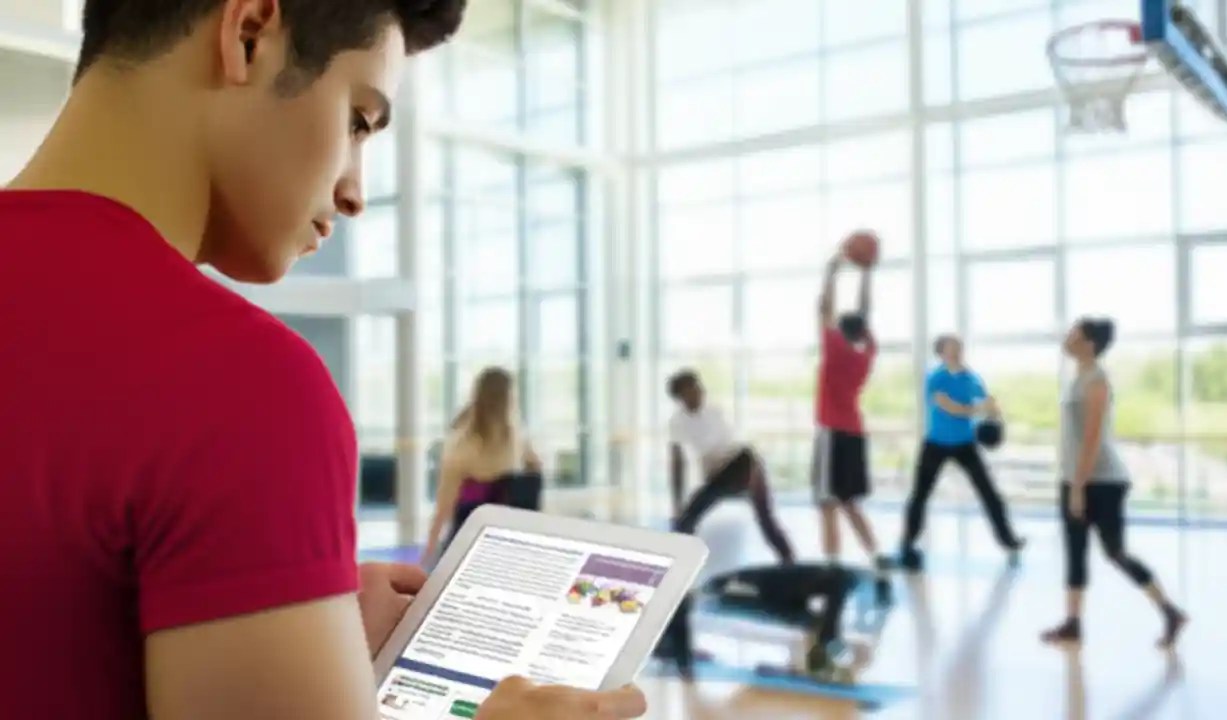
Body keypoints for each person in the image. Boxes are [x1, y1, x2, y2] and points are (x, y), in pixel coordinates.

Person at [0, 1, 645, 718]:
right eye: (359, 121)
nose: (355, 191)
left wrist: (291, 619)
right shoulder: (239, 385)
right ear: (249, 34)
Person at [1041, 318, 1187, 649]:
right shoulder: (1077, 378)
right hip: (1073, 478)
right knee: (1075, 552)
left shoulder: (1097, 382)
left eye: (1073, 335)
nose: (1066, 339)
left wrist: (1079, 487)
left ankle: (1170, 612)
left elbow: (1093, 439)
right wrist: (1071, 482)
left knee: (1115, 553)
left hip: (1102, 481)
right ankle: (1072, 623)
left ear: (1089, 344)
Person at [898, 335, 1024, 570]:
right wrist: (980, 407)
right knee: (920, 496)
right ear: (941, 352)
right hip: (935, 444)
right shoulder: (936, 378)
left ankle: (1009, 541)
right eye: (951, 348)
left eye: (959, 347)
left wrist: (994, 413)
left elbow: (988, 404)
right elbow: (950, 408)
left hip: (965, 444)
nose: (957, 351)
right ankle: (906, 545)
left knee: (989, 493)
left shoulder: (971, 377)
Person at [813, 250, 892, 602]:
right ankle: (877, 558)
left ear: (839, 333)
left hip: (832, 433)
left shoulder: (835, 350)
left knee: (828, 504)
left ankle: (831, 567)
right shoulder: (865, 355)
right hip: (855, 435)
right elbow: (865, 313)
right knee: (849, 504)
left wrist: (832, 271)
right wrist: (865, 274)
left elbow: (823, 308)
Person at [667, 370, 795, 565]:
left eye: (698, 388)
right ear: (680, 398)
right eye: (690, 390)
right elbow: (677, 464)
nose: (698, 393)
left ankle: (790, 562)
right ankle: (678, 569)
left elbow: (732, 449)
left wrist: (752, 479)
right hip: (718, 478)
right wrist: (677, 504)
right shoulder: (677, 422)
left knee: (766, 519)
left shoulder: (714, 410)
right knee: (684, 521)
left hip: (742, 465)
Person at [423, 367, 543, 564]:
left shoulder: (462, 443)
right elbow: (535, 469)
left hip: (469, 535)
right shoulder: (516, 436)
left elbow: (445, 502)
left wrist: (430, 548)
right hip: (508, 536)